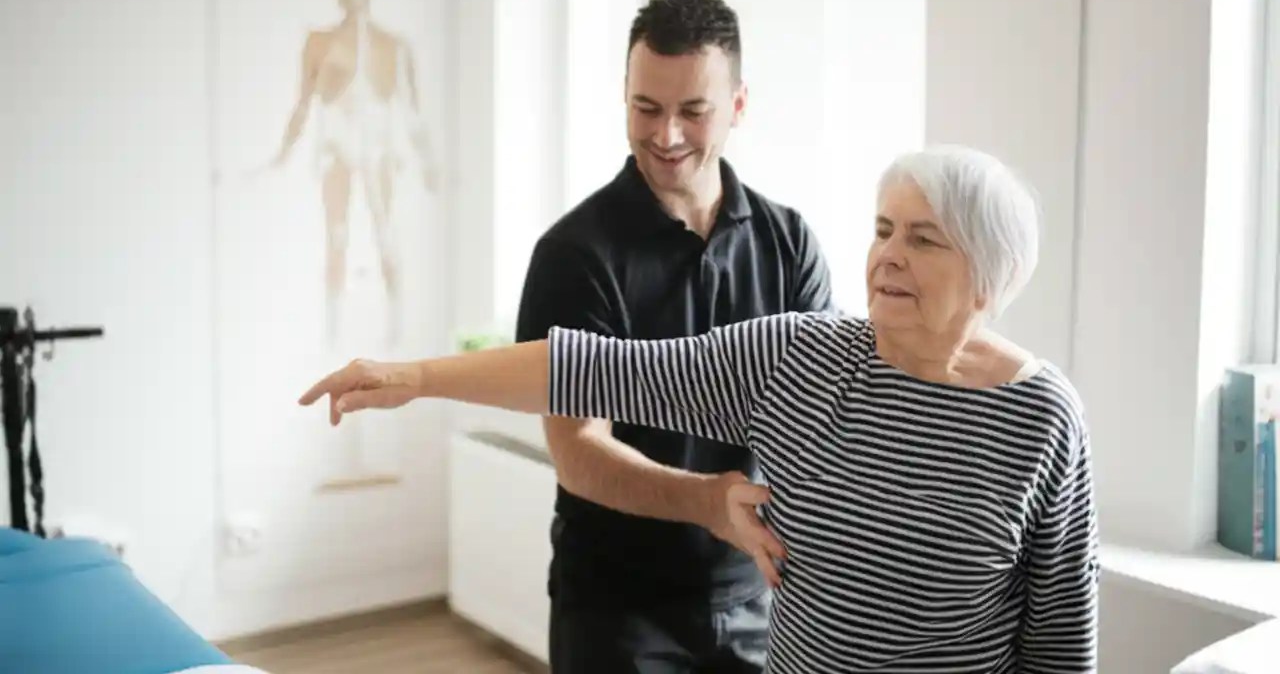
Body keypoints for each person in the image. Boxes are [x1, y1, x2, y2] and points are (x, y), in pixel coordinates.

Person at [300, 145, 1100, 673]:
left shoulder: (1042, 419)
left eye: (924, 240)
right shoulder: (803, 356)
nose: (888, 254)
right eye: (884, 229)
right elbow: (600, 370)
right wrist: (417, 375)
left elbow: (1060, 639)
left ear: (990, 278)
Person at [510, 0, 834, 673]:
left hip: (758, 596)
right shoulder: (574, 255)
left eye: (693, 111)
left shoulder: (791, 244)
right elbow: (578, 451)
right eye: (646, 108)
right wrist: (708, 502)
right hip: (616, 613)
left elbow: (819, 424)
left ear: (739, 105)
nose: (666, 135)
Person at [271, 0, 440, 346]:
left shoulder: (393, 46)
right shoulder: (320, 42)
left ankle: (397, 334)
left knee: (385, 233)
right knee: (337, 235)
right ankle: (332, 335)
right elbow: (304, 102)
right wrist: (282, 154)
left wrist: (428, 163)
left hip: (378, 146)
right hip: (338, 144)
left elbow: (412, 113)